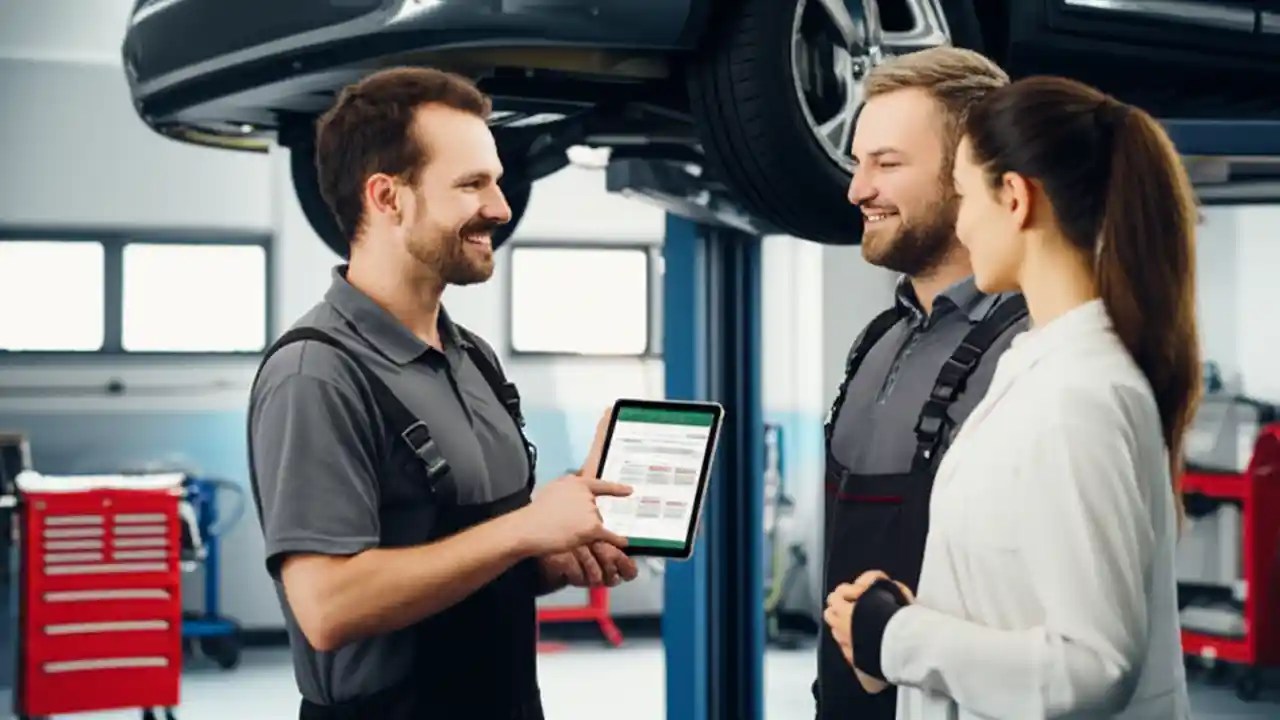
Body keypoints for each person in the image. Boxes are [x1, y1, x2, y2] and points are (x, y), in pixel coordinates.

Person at [246, 66, 638, 720]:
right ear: (387, 197)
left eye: (498, 181)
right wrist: (523, 530)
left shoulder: (473, 360)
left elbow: (474, 562)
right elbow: (327, 607)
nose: (501, 207)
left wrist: (551, 555)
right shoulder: (317, 372)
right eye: (471, 184)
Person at [828, 75, 1200, 719]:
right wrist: (901, 624)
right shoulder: (1037, 368)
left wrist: (898, 639)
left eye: (966, 196)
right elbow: (1014, 600)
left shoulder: (1079, 395)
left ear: (1015, 199)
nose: (963, 226)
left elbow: (1093, 666)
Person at [814, 47, 1026, 720]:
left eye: (888, 163)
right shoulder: (877, 341)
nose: (857, 189)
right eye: (857, 163)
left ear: (971, 174)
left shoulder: (1032, 353)